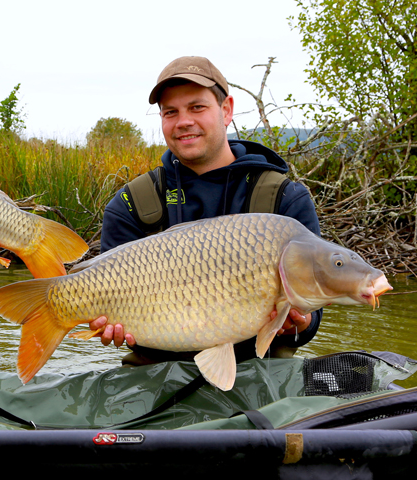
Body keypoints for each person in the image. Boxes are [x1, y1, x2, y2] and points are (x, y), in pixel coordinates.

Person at [89, 56, 322, 366]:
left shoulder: (285, 198)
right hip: (155, 377)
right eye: (171, 112)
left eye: (197, 107)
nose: (184, 120)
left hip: (258, 377)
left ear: (226, 111)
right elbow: (111, 322)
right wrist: (109, 328)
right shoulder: (130, 204)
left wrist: (303, 323)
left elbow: (313, 311)